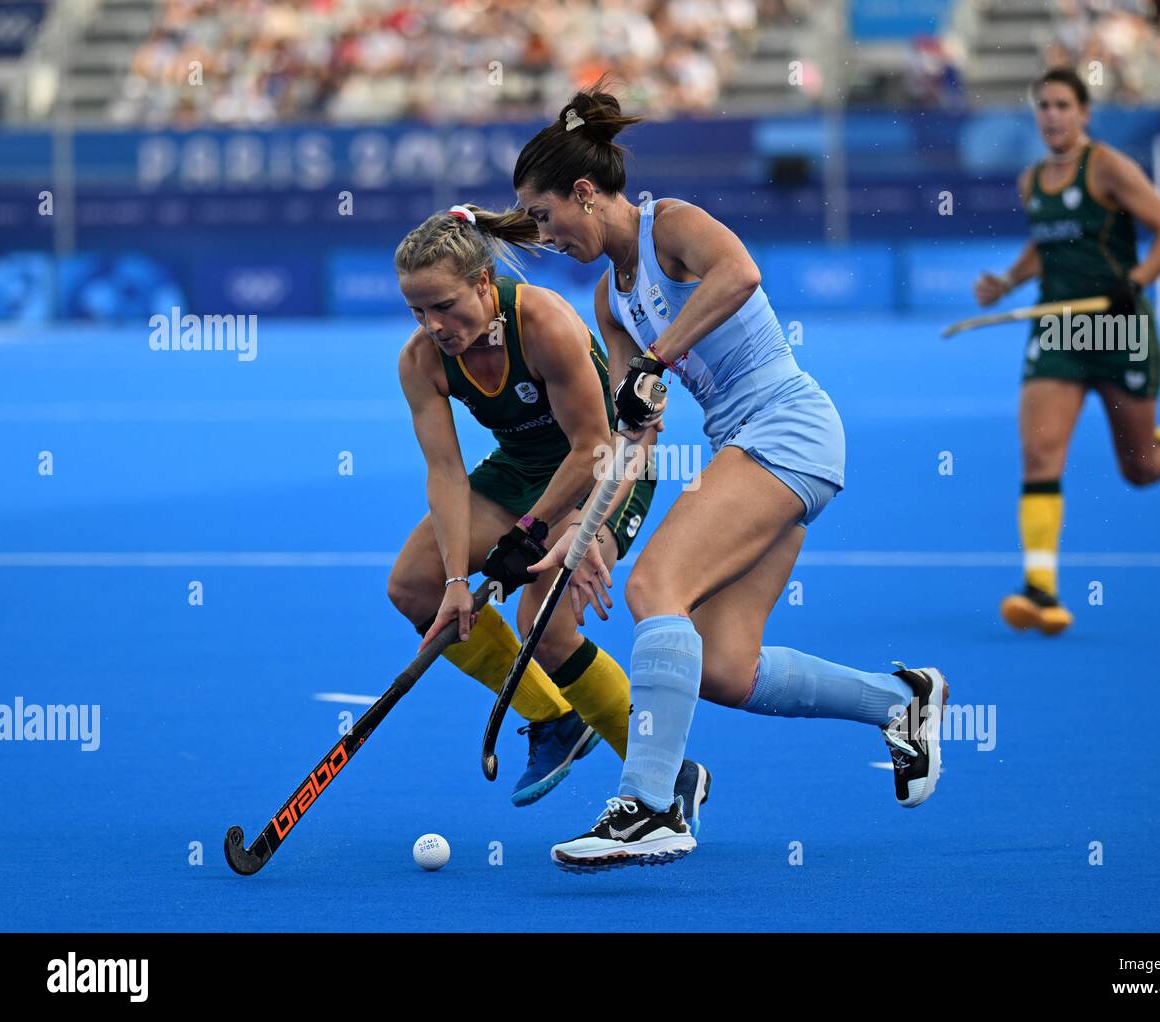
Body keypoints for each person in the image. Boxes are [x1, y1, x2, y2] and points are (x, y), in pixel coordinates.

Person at [516, 79, 948, 872]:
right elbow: (633, 429)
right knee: (724, 667)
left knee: (656, 591)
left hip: (787, 428)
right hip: (752, 447)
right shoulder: (611, 304)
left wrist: (657, 358)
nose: (545, 237)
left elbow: (741, 274)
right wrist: (592, 525)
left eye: (546, 217)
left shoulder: (668, 225)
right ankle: (901, 702)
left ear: (584, 193)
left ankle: (649, 806)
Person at [387, 203, 709, 820]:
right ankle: (554, 720)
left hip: (607, 469)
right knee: (414, 586)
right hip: (521, 471)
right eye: (418, 311)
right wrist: (457, 581)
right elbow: (447, 473)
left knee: (546, 622)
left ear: (484, 284)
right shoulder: (421, 362)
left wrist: (529, 535)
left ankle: (669, 777)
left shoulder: (544, 323)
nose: (435, 325)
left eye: (446, 306)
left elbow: (595, 447)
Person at [973, 67, 1160, 637]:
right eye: (1043, 105)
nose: (1052, 115)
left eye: (1063, 105)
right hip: (1059, 333)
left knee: (1141, 467)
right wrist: (1006, 283)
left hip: (1119, 331)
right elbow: (1046, 248)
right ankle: (1039, 589)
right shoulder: (1030, 182)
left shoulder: (1109, 168)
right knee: (1040, 453)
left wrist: (1137, 280)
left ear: (1084, 113)